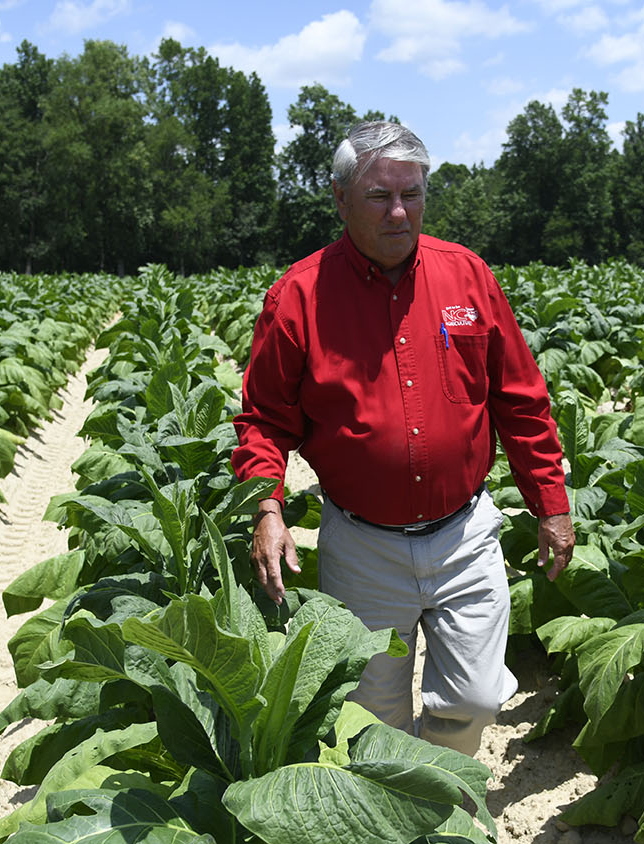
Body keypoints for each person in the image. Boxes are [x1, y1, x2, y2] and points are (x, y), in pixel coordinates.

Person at [231, 120, 575, 756]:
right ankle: (402, 801)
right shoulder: (299, 296)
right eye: (379, 196)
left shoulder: (467, 277)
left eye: (411, 194)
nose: (399, 212)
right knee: (372, 717)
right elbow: (264, 421)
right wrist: (267, 508)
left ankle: (439, 791)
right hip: (363, 546)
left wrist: (550, 504)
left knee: (475, 698)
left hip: (463, 534)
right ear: (341, 199)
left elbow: (521, 400)